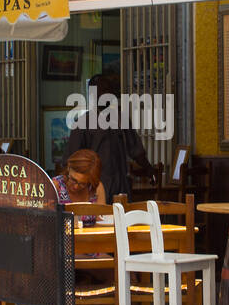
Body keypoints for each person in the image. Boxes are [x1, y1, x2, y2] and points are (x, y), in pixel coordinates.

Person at [64, 72, 156, 201]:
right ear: (92, 95)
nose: (107, 94)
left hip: (121, 185)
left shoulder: (121, 118)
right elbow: (72, 160)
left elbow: (136, 151)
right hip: (94, 187)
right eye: (103, 90)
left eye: (109, 90)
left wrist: (149, 169)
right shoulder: (82, 123)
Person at [52, 149, 105, 224]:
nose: (76, 186)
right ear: (69, 168)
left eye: (82, 184)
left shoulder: (96, 188)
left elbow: (101, 222)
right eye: (73, 179)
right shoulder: (56, 186)